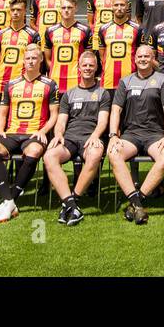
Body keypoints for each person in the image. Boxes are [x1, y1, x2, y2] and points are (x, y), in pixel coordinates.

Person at [0, 46, 58, 222]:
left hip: (34, 133)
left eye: (34, 58)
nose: (31, 61)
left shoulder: (50, 84)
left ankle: (9, 201)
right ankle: (9, 201)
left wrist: (43, 131)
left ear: (41, 60)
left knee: (33, 152)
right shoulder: (10, 85)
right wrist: (0, 131)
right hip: (11, 132)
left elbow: (54, 114)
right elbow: (2, 113)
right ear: (23, 61)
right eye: (28, 58)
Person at [107, 44, 164, 224]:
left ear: (153, 59)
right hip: (131, 135)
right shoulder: (125, 81)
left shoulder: (162, 80)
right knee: (114, 153)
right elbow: (115, 110)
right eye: (140, 56)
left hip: (155, 135)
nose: (143, 59)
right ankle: (137, 203)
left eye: (147, 56)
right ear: (135, 59)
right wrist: (113, 135)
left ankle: (136, 202)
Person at [46, 49, 110, 226]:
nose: (88, 68)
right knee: (50, 156)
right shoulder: (69, 94)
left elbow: (103, 121)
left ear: (96, 68)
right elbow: (61, 121)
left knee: (95, 154)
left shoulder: (103, 93)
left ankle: (72, 201)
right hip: (70, 138)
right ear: (79, 68)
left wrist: (96, 135)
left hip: (91, 137)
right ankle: (71, 205)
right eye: (85, 65)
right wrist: (58, 135)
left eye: (91, 65)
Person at [43, 0, 91, 92]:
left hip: (77, 81)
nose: (66, 10)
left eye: (69, 7)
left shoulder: (85, 30)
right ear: (60, 9)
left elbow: (88, 57)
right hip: (55, 81)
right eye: (63, 7)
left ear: (76, 8)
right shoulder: (50, 31)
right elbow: (47, 59)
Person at [0, 0, 40, 93]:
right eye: (13, 10)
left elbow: (36, 59)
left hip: (21, 81)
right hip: (0, 82)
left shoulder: (33, 35)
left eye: (19, 10)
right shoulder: (0, 34)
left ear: (24, 11)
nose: (15, 13)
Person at [96, 0, 142, 90]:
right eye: (116, 5)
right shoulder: (103, 29)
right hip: (108, 81)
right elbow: (101, 56)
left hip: (131, 81)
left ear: (127, 6)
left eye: (122, 5)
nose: (119, 8)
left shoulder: (137, 29)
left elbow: (140, 55)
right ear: (112, 7)